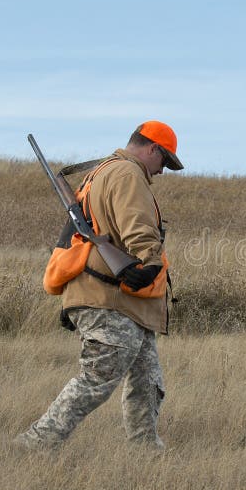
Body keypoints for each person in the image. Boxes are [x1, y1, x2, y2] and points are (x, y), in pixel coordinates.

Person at [15, 120, 183, 451]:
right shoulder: (126, 173)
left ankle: (146, 453)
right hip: (107, 296)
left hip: (122, 300)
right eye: (164, 161)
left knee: (147, 383)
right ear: (152, 149)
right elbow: (137, 223)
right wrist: (149, 262)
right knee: (99, 376)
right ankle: (32, 445)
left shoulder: (102, 172)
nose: (162, 171)